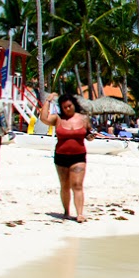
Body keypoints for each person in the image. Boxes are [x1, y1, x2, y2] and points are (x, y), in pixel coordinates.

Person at [46, 92, 91, 222]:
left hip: (79, 157)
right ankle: (66, 211)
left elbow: (87, 133)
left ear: (74, 105)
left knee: (77, 185)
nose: (67, 109)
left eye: (69, 106)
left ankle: (80, 214)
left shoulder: (83, 118)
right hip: (61, 156)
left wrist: (90, 136)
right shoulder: (58, 119)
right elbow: (44, 118)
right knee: (65, 185)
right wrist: (48, 101)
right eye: (64, 107)